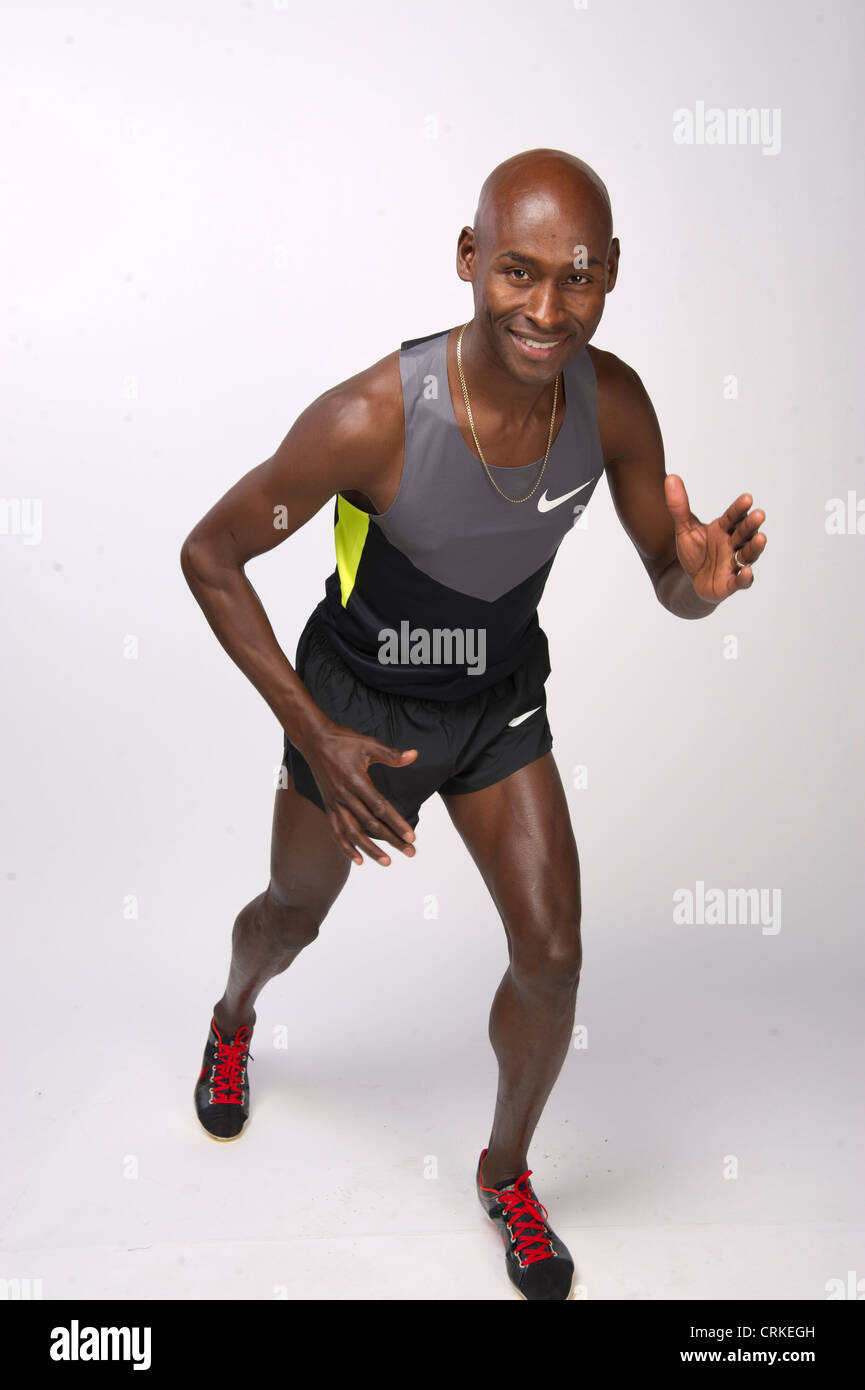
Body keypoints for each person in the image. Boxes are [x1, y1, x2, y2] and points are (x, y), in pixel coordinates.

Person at [180, 147, 766, 1300]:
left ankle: (504, 1174)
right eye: (515, 271)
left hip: (497, 701)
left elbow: (667, 573)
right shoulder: (374, 415)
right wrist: (316, 734)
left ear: (609, 278)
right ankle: (232, 1014)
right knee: (290, 916)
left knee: (553, 957)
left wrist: (699, 586)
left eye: (576, 278)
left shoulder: (615, 404)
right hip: (354, 706)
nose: (547, 308)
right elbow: (210, 555)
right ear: (467, 262)